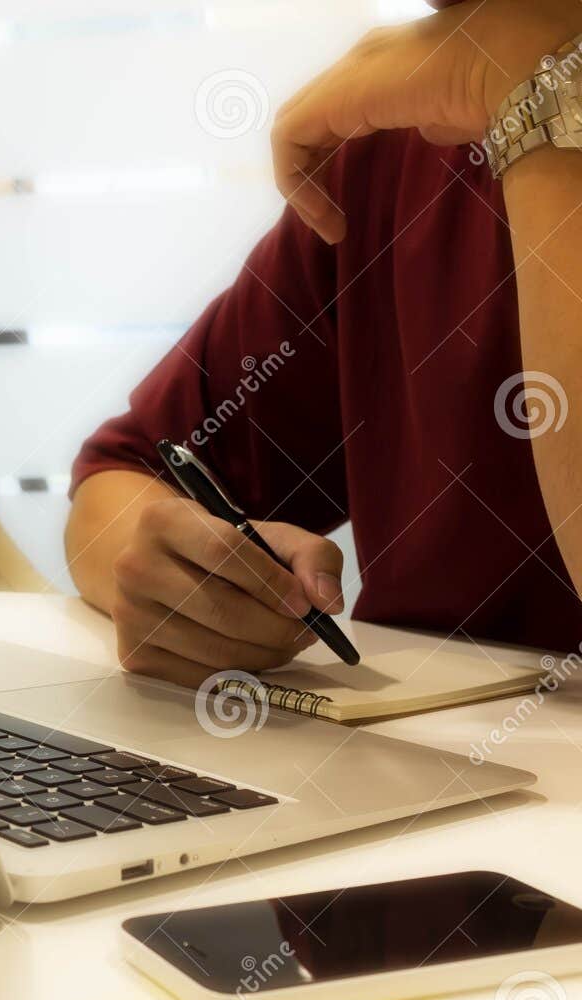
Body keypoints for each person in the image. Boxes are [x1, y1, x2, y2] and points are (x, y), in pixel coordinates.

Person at [66, 0, 582, 688]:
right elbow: (128, 473)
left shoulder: (478, 86)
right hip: (434, 765)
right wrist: (175, 576)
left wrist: (539, 87)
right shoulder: (412, 134)